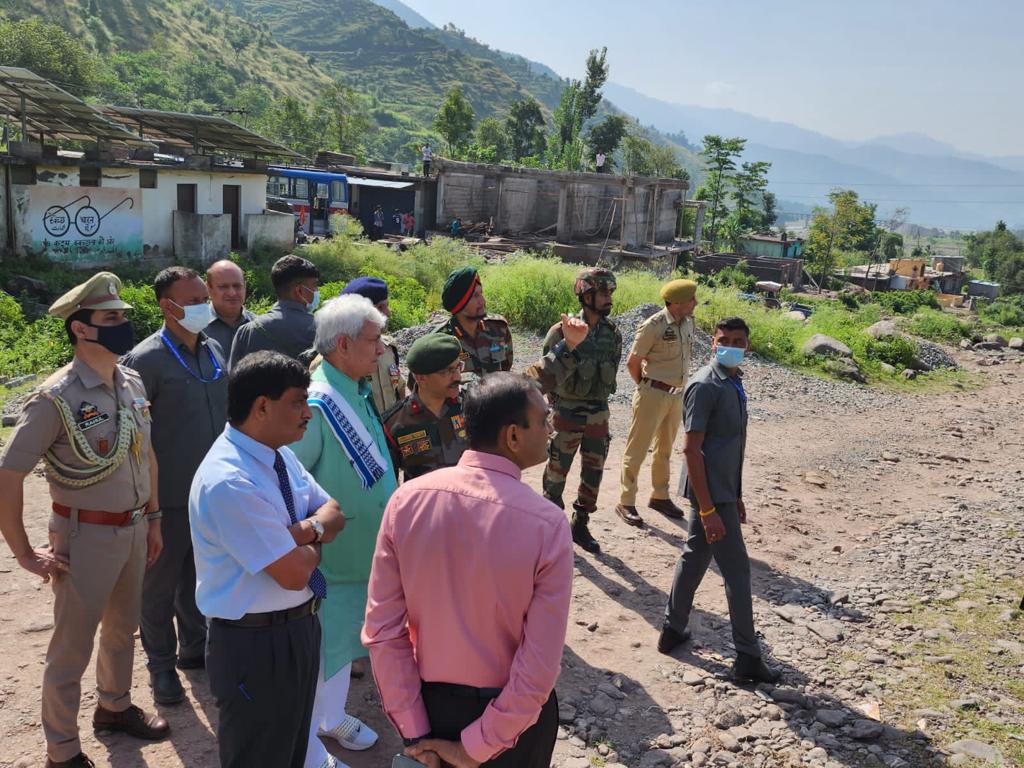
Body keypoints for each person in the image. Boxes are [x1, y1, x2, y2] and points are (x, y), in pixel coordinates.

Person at [0, 273, 169, 768]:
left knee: (122, 630)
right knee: (71, 645)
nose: (123, 324)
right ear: (81, 329)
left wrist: (154, 519)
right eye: (110, 318)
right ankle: (61, 750)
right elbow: (8, 474)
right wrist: (24, 552)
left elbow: (148, 457)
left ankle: (114, 708)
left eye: (123, 316)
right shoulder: (57, 397)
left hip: (135, 528)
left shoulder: (131, 382)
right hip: (84, 535)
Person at [363, 372, 573, 768]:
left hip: (431, 711)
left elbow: (382, 632)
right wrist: (477, 746)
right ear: (513, 436)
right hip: (512, 726)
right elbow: (538, 666)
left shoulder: (406, 501)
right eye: (545, 418)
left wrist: (416, 732)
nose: (552, 426)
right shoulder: (547, 524)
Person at [189, 351, 345, 768]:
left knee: (295, 748)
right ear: (262, 406)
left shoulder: (277, 455)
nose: (307, 413)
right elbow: (294, 573)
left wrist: (296, 535)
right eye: (297, 402)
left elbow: (335, 512)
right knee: (260, 755)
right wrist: (310, 531)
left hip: (297, 629)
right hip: (253, 645)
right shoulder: (230, 479)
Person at [290, 296, 398, 768]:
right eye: (373, 340)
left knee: (342, 644)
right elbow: (291, 481)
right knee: (328, 650)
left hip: (359, 556)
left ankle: (331, 718)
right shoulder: (318, 400)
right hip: (332, 561)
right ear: (342, 344)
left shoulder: (352, 387)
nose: (381, 350)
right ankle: (318, 735)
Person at [121, 266, 227, 706]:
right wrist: (147, 507)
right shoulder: (144, 362)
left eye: (207, 295)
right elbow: (133, 441)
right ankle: (160, 667)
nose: (208, 304)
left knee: (198, 578)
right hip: (165, 500)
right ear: (168, 306)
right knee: (158, 587)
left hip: (212, 495)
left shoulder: (216, 348)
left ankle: (193, 649)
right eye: (198, 298)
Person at [658, 317, 780, 684]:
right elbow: (691, 451)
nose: (730, 345)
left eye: (737, 340)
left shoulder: (733, 382)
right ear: (712, 343)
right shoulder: (705, 385)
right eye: (723, 339)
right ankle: (746, 655)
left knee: (695, 557)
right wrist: (709, 509)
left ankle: (672, 628)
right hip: (711, 495)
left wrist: (737, 494)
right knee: (738, 573)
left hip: (723, 492)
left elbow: (730, 447)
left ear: (748, 346)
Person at [541, 268, 622, 554]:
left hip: (598, 416)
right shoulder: (561, 331)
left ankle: (580, 523)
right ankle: (550, 529)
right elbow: (547, 372)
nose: (609, 298)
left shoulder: (613, 334)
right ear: (586, 295)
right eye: (603, 293)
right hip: (566, 414)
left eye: (611, 293)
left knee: (593, 473)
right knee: (555, 474)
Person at [616, 279, 697, 528]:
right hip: (653, 393)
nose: (695, 303)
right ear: (677, 303)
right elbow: (633, 361)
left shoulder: (688, 323)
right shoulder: (654, 325)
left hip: (676, 396)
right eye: (691, 299)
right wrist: (646, 386)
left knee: (665, 449)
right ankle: (626, 501)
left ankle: (659, 496)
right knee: (637, 448)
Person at [383, 334, 466, 482]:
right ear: (421, 378)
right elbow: (388, 484)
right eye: (448, 371)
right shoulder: (393, 424)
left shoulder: (473, 406)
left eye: (458, 367)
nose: (457, 377)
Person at [229, 254, 319, 368]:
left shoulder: (247, 332)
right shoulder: (321, 329)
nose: (316, 291)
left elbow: (233, 380)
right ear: (299, 290)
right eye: (315, 285)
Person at [433, 266, 513, 383]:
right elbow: (424, 387)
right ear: (460, 304)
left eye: (481, 293)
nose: (483, 301)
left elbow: (506, 367)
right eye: (475, 296)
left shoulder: (498, 328)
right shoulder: (440, 341)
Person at [341, 277, 406, 414]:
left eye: (387, 306)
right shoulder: (336, 357)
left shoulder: (388, 348)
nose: (388, 313)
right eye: (380, 307)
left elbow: (399, 387)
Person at [204, 259, 255, 362]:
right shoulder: (194, 329)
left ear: (244, 286)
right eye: (223, 287)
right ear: (208, 288)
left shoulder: (259, 327)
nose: (232, 293)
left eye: (237, 286)